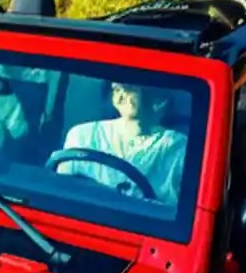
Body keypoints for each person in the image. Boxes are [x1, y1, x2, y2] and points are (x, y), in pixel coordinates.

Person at [58, 82, 187, 205]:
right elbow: (61, 190)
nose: (120, 96)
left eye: (129, 90)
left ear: (159, 101)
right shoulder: (83, 135)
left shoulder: (179, 148)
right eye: (117, 89)